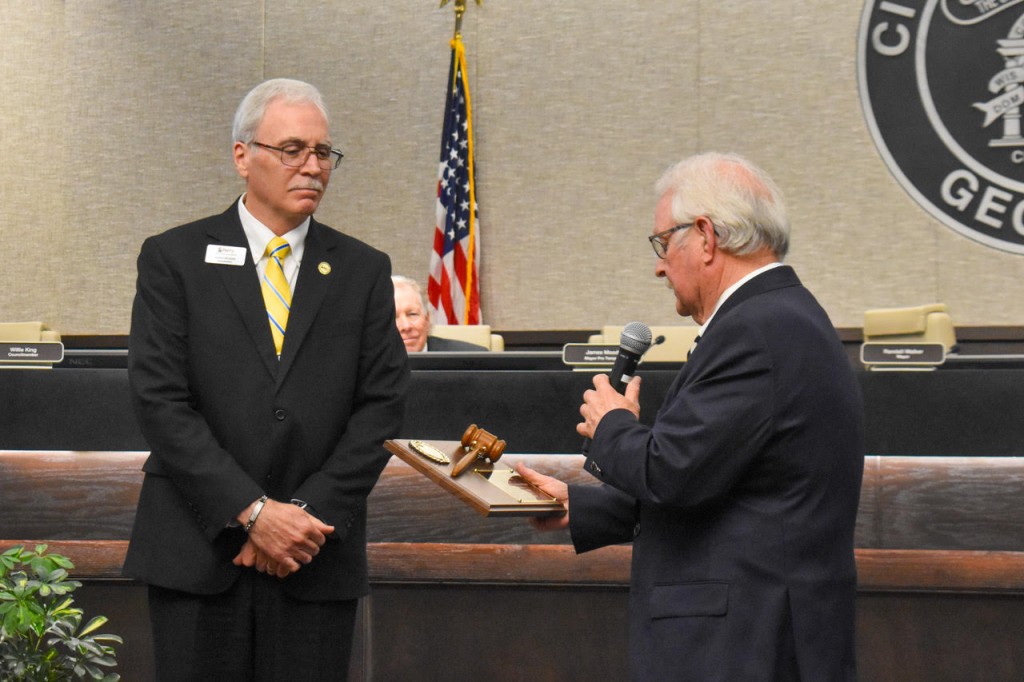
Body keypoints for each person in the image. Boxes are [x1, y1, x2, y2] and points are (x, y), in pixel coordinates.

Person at [517, 152, 864, 681]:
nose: (659, 265)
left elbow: (673, 472)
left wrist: (612, 424)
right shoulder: (784, 316)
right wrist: (580, 506)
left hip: (745, 644)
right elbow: (723, 480)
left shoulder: (754, 329)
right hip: (763, 634)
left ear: (705, 236)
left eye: (663, 242)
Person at [124, 78, 410, 681]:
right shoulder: (174, 258)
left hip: (313, 553)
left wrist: (300, 517)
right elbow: (159, 401)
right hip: (197, 553)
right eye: (292, 150)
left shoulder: (362, 269)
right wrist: (253, 512)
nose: (313, 167)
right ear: (242, 155)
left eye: (323, 152)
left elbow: (382, 407)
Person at [392, 275, 488, 352]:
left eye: (413, 314)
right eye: (392, 318)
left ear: (427, 319)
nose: (406, 326)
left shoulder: (473, 359)